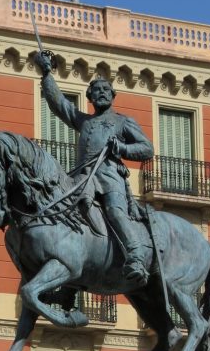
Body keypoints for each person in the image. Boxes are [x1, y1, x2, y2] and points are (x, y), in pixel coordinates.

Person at [36, 51, 154, 286]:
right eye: (96, 90)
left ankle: (136, 257)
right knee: (65, 216)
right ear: (89, 97)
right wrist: (47, 73)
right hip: (83, 178)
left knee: (114, 212)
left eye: (105, 89)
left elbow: (146, 148)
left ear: (112, 95)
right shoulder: (85, 122)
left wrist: (120, 148)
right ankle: (70, 274)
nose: (100, 92)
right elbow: (59, 104)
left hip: (110, 178)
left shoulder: (123, 122)